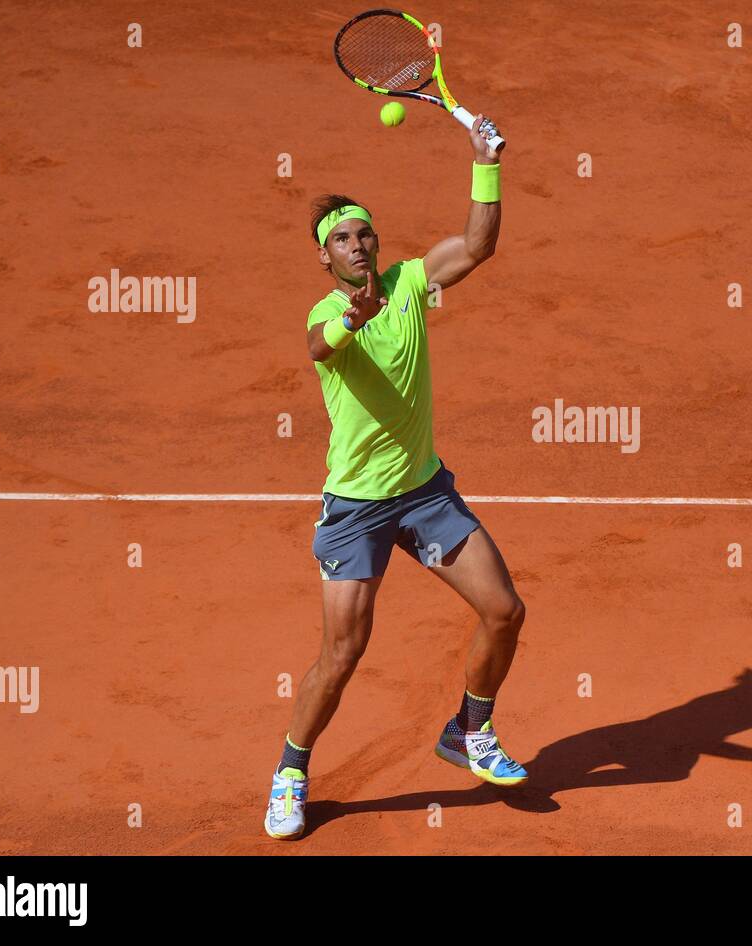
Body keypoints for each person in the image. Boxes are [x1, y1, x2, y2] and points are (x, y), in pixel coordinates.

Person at [264, 114, 528, 841]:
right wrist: (356, 315)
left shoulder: (410, 282)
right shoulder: (330, 311)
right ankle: (291, 770)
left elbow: (478, 244)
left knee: (505, 612)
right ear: (326, 259)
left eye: (364, 234)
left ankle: (468, 730)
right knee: (343, 654)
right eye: (342, 240)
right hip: (356, 509)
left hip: (425, 494)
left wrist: (485, 164)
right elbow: (320, 348)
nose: (357, 245)